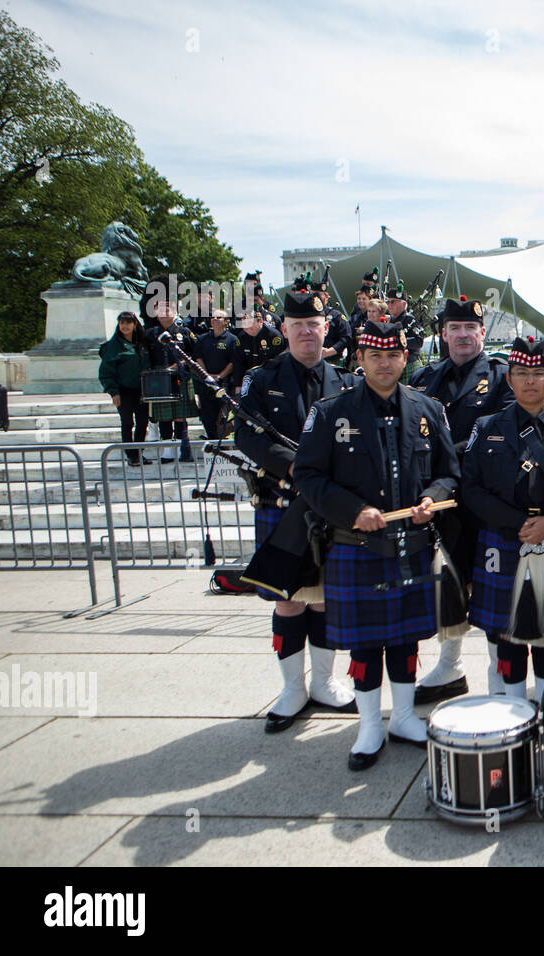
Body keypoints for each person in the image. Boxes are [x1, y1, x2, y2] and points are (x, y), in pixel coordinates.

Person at [293, 319, 461, 770]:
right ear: (360, 359)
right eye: (375, 356)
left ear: (405, 358)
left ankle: (404, 717)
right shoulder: (330, 413)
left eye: (392, 355)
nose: (384, 363)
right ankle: (369, 726)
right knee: (366, 643)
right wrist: (352, 510)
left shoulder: (428, 409)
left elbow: (449, 471)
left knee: (406, 637)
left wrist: (434, 497)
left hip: (411, 541)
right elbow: (307, 475)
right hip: (357, 546)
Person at [235, 289, 358, 734]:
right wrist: (291, 464)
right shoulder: (260, 378)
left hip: (327, 505)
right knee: (287, 599)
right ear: (284, 329)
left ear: (326, 329)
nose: (306, 331)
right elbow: (246, 436)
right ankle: (292, 688)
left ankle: (324, 681)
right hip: (281, 501)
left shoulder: (347, 383)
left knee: (323, 598)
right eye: (297, 325)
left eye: (314, 324)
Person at [463, 337, 544, 700]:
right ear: (509, 379)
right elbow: (471, 489)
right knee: (506, 635)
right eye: (521, 373)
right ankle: (513, 707)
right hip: (505, 541)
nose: (530, 381)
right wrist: (516, 523)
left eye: (539, 373)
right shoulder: (486, 426)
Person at [410, 298, 514, 701]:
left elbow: (496, 434)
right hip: (438, 505)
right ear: (444, 334)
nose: (463, 335)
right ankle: (451, 667)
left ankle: (498, 677)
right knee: (448, 586)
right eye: (455, 328)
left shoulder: (502, 376)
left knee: (490, 591)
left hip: (483, 503)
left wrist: (442, 460)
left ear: (482, 333)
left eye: (471, 329)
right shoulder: (423, 379)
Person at [144, 299, 198, 462]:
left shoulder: (185, 332)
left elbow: (195, 354)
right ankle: (168, 451)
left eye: (168, 308)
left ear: (175, 312)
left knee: (180, 415)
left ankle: (184, 450)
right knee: (164, 417)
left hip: (181, 376)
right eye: (160, 309)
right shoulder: (150, 334)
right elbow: (145, 356)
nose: (164, 312)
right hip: (159, 378)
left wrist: (180, 365)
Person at [98, 311, 151, 466]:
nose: (125, 326)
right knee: (127, 423)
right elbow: (106, 373)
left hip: (142, 391)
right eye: (122, 323)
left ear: (134, 324)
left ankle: (139, 453)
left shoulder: (142, 343)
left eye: (128, 322)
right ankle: (131, 455)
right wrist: (113, 392)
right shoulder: (113, 347)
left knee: (143, 422)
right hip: (123, 391)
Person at [191, 309, 244, 439]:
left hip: (225, 384)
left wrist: (220, 376)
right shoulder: (203, 339)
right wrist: (206, 375)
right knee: (207, 416)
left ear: (226, 321)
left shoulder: (232, 340)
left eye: (218, 317)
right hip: (206, 384)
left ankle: (224, 442)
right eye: (212, 317)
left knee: (225, 417)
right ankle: (212, 441)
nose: (214, 319)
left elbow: (234, 362)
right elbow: (198, 358)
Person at [236, 308, 285, 375]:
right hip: (249, 376)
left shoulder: (274, 336)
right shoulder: (241, 337)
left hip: (270, 376)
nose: (247, 326)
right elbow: (238, 363)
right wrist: (238, 384)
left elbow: (279, 361)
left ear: (261, 321)